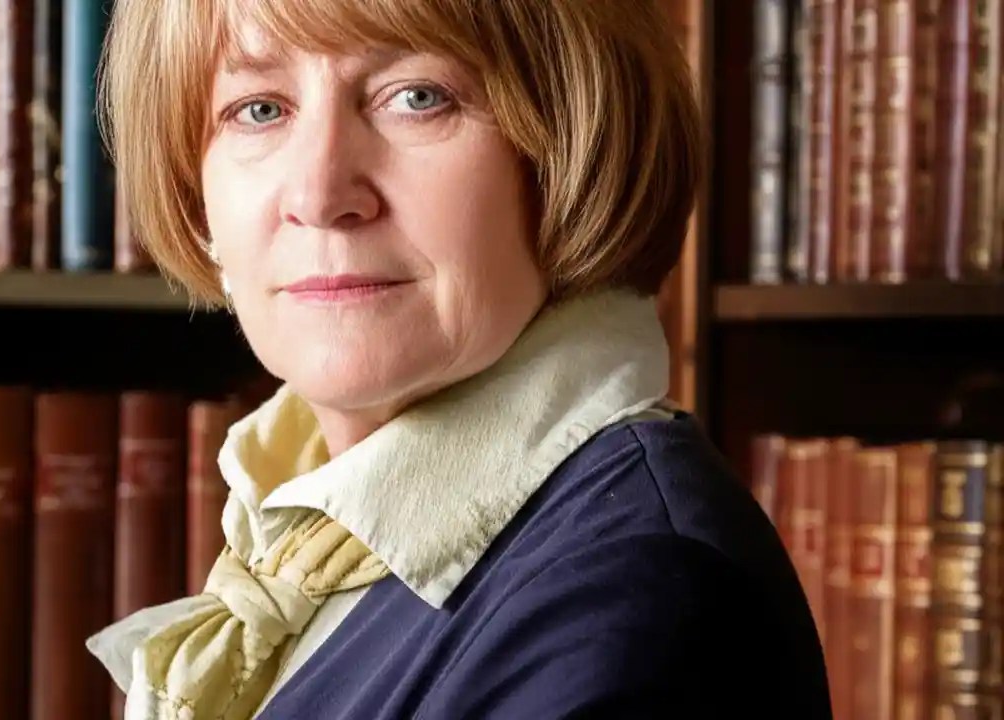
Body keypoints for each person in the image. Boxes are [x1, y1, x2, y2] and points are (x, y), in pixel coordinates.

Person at [87, 1, 832, 718]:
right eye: (259, 109)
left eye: (416, 97)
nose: (319, 193)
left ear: (565, 148)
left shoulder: (637, 598)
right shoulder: (322, 545)